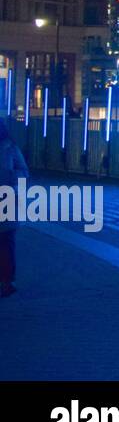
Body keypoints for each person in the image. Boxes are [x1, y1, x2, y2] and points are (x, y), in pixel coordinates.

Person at [0, 119, 31, 298]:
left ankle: (7, 280)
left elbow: (23, 171)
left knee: (6, 242)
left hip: (6, 199)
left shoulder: (10, 149)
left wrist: (12, 181)